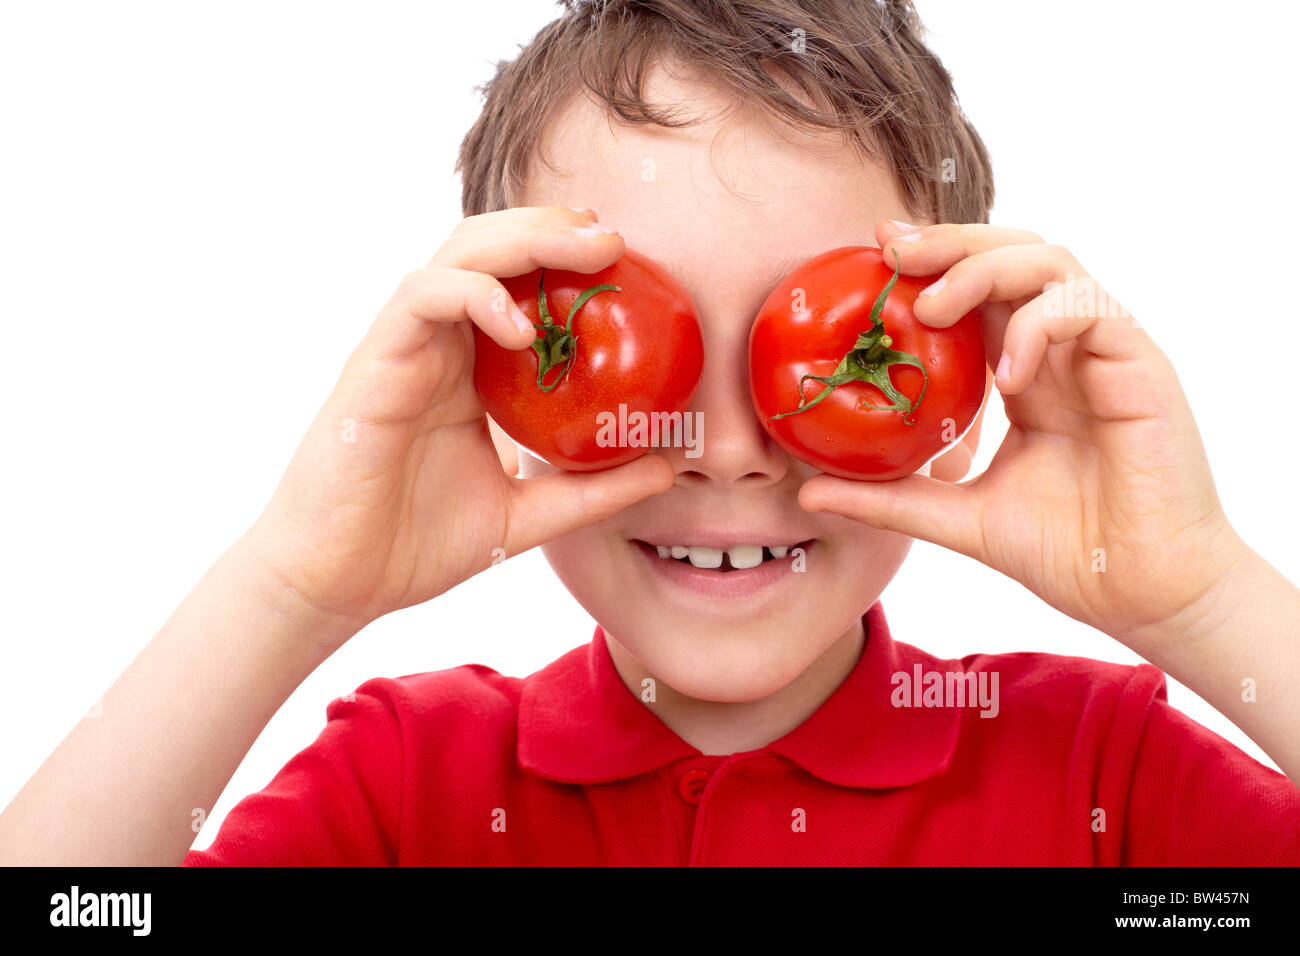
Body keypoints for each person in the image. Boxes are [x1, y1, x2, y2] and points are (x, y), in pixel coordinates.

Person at [2, 0, 1296, 865]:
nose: (728, 448)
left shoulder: (1103, 782)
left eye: (836, 349)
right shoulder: (409, 789)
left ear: (958, 402)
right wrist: (287, 583)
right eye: (638, 338)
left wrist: (1201, 594)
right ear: (498, 388)